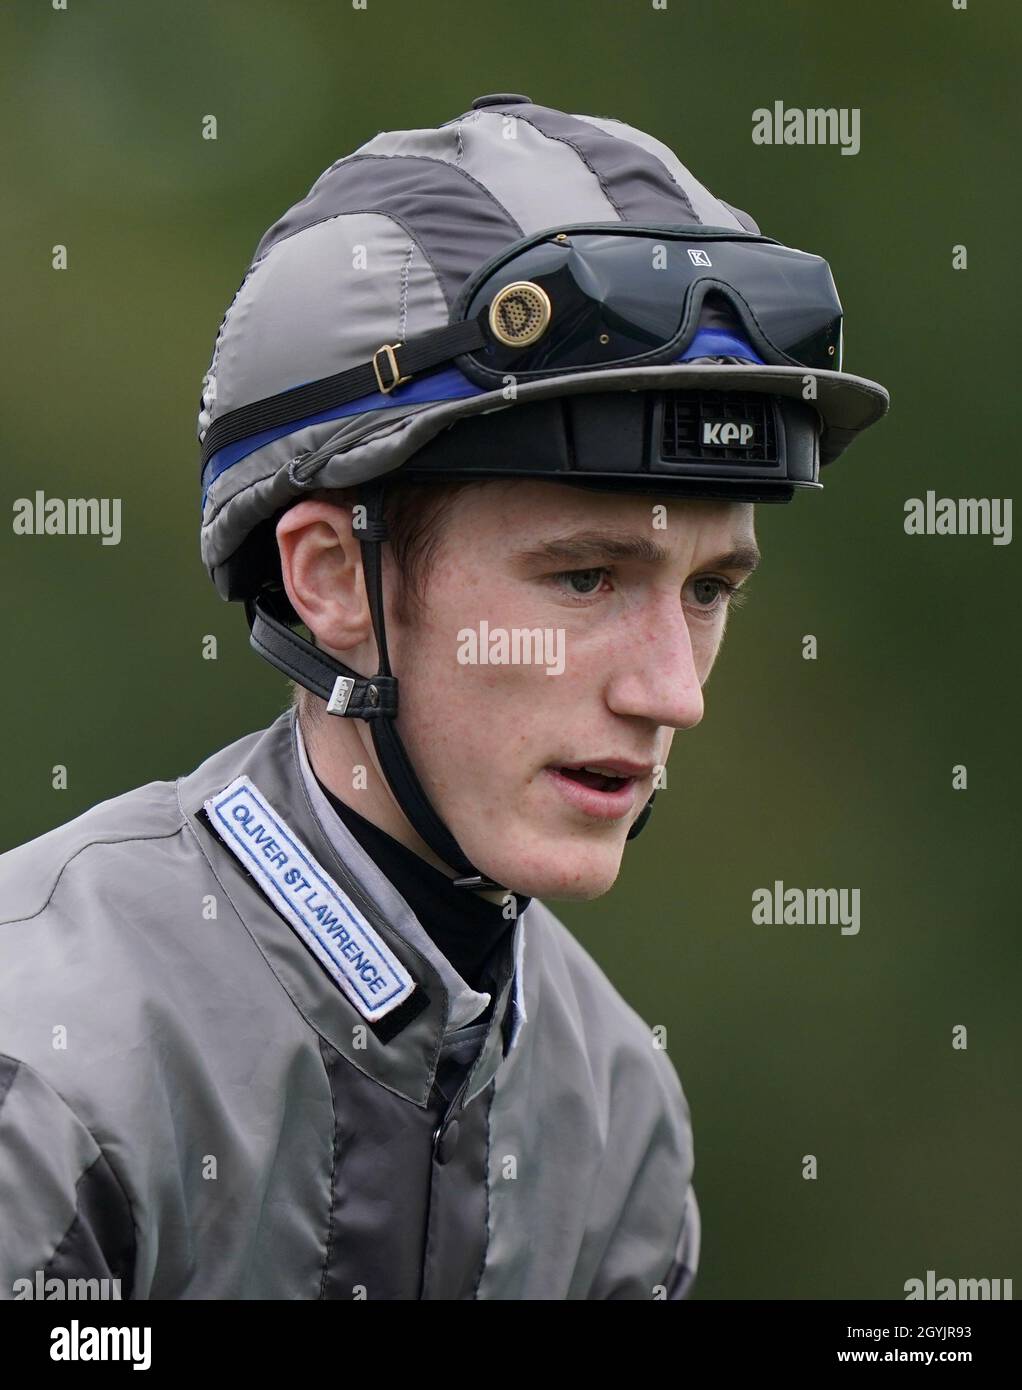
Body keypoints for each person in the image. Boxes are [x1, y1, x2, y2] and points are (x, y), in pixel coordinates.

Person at [0, 94, 889, 1300]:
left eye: (709, 588)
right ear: (331, 582)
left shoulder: (618, 1107)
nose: (671, 691)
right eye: (583, 576)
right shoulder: (44, 1058)